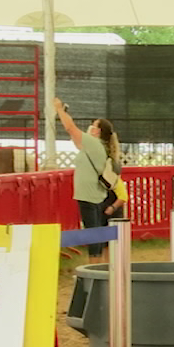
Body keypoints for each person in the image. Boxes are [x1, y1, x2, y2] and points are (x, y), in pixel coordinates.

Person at [53, 97, 120, 262]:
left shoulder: (93, 144)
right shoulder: (98, 146)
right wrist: (64, 113)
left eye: (94, 125)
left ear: (98, 131)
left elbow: (70, 128)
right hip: (96, 195)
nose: (91, 127)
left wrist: (59, 110)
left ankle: (94, 266)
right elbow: (75, 138)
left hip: (88, 196)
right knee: (95, 231)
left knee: (92, 234)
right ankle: (98, 265)